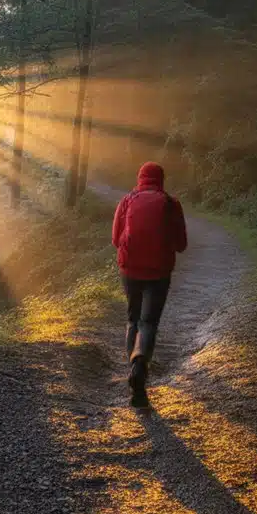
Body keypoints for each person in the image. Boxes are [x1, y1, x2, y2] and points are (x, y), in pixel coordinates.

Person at [111, 162, 188, 408]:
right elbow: (181, 244)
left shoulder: (127, 200)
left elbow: (115, 239)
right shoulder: (171, 203)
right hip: (159, 273)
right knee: (149, 323)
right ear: (161, 179)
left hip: (130, 270)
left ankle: (133, 370)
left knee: (133, 319)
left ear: (140, 178)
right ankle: (140, 368)